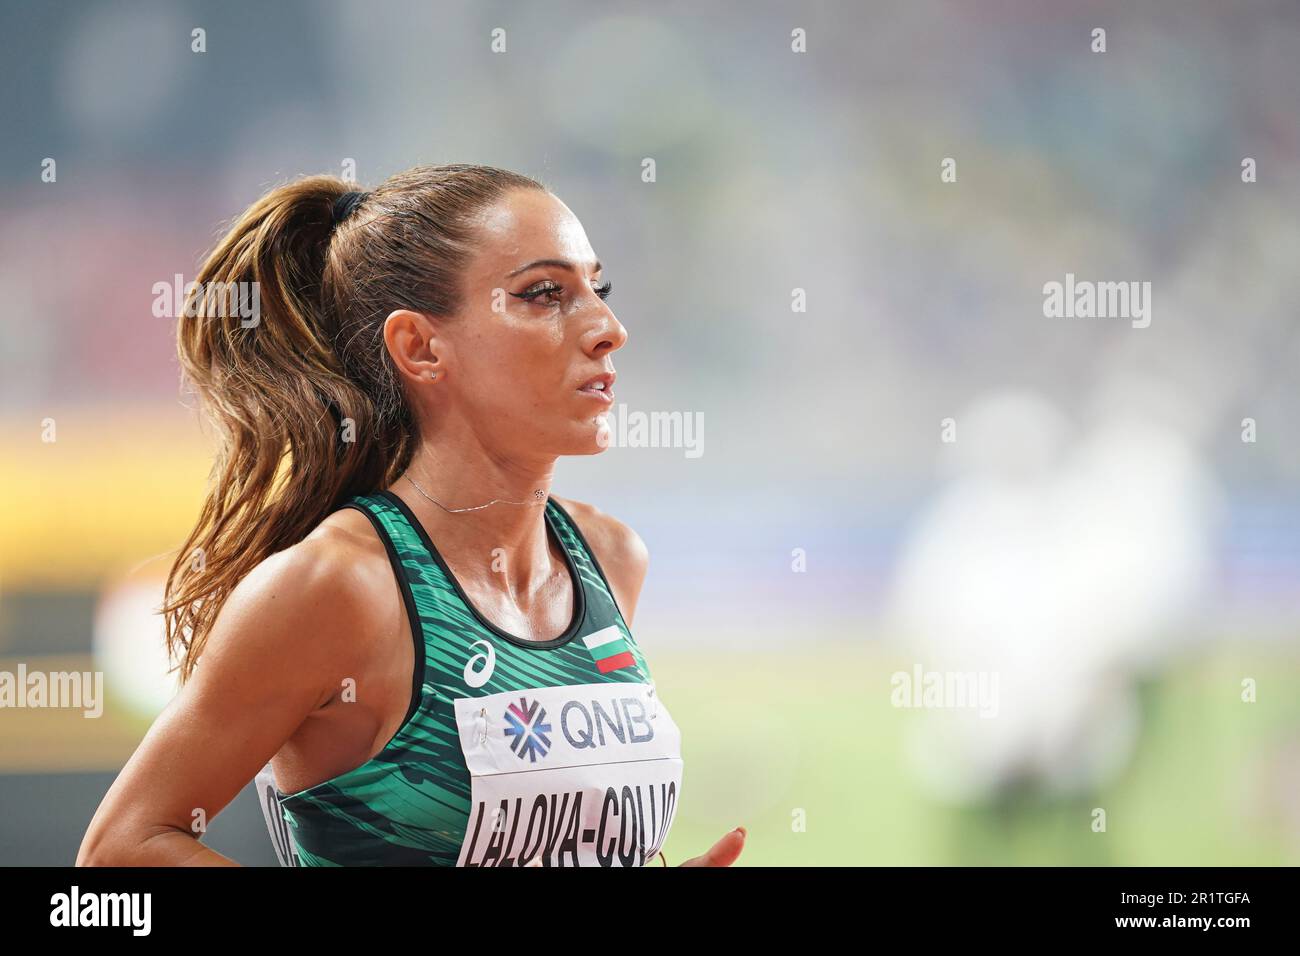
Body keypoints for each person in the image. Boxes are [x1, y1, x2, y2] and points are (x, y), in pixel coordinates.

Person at [76, 164, 747, 867]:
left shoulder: (610, 558)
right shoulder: (339, 587)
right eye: (545, 294)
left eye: (596, 289)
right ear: (420, 348)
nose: (609, 329)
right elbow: (122, 850)